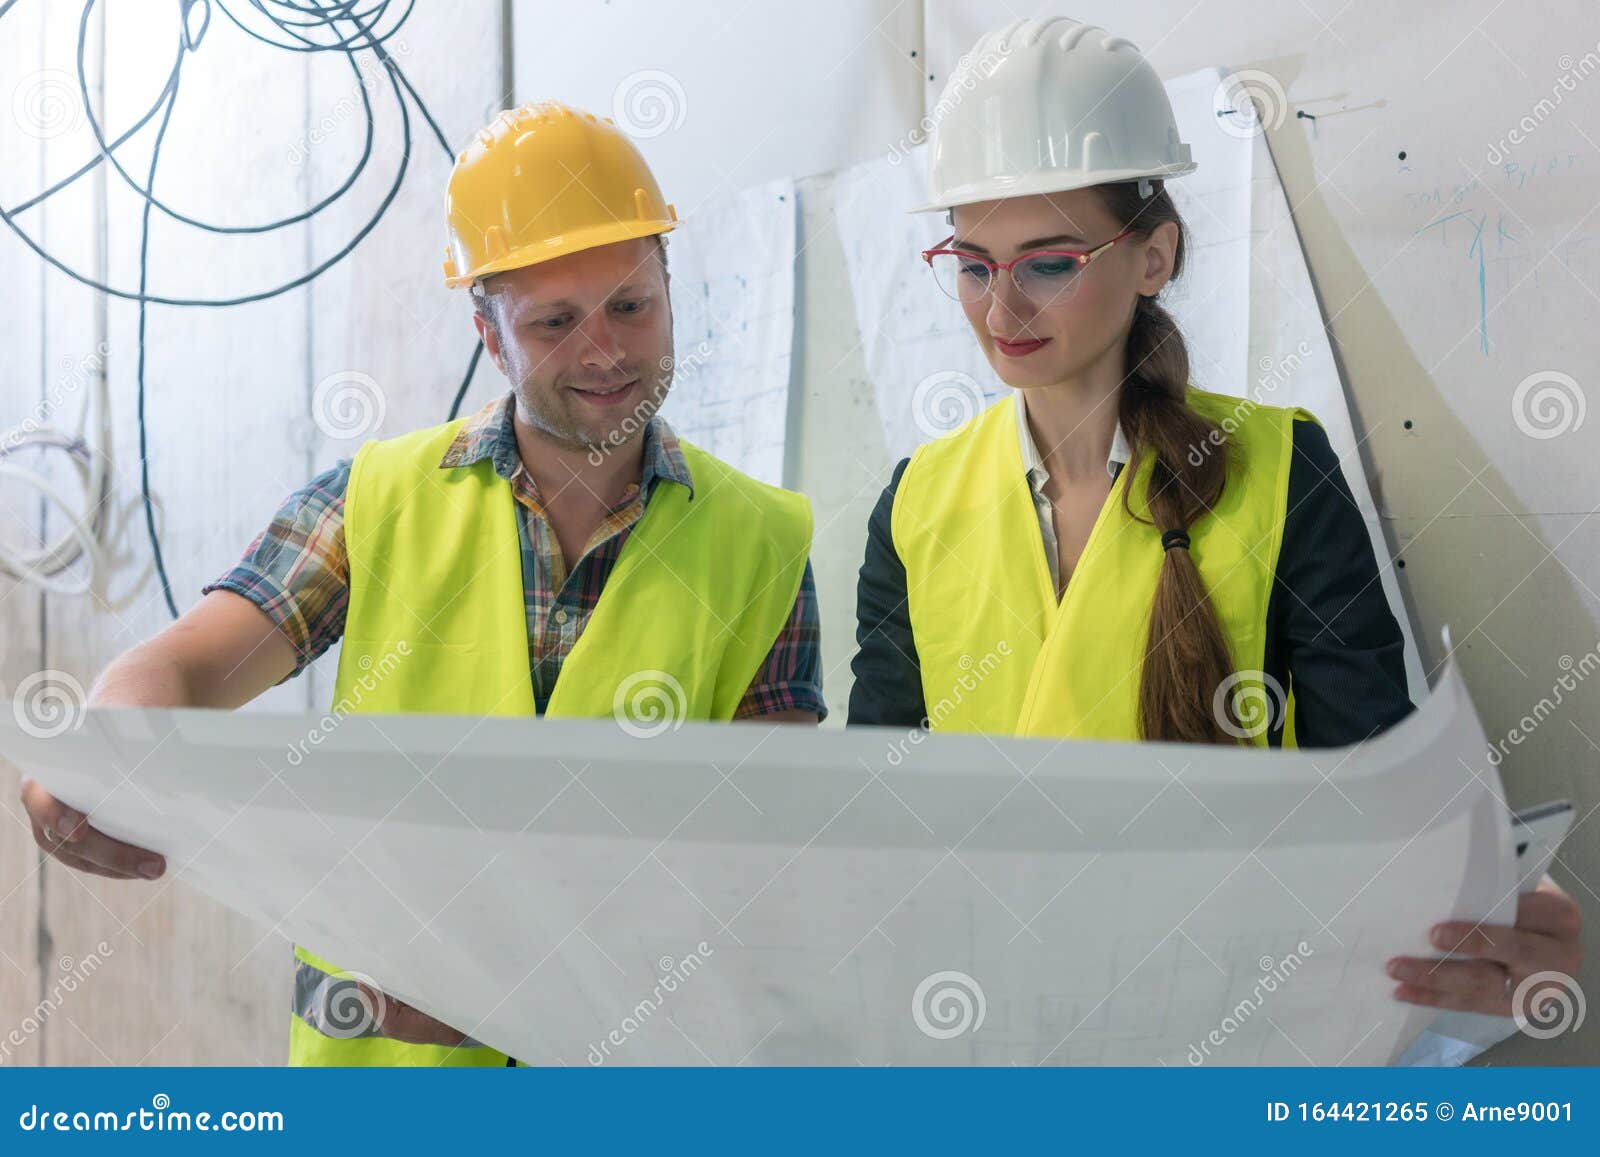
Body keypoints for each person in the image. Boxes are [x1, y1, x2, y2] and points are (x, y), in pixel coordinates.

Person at [20, 100, 825, 1066]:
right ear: (490, 333)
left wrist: (551, 978)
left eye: (631, 304)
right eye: (555, 321)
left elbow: (766, 860)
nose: (605, 351)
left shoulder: (762, 539)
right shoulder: (376, 502)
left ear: (668, 288)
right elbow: (183, 672)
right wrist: (96, 760)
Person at [847, 16, 1581, 1061]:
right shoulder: (916, 501)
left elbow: (1371, 791)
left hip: (1227, 1038)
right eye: (971, 263)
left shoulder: (1279, 470)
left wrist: (1466, 890)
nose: (999, 305)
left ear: (1154, 254)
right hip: (994, 1037)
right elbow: (881, 813)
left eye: (1048, 263)